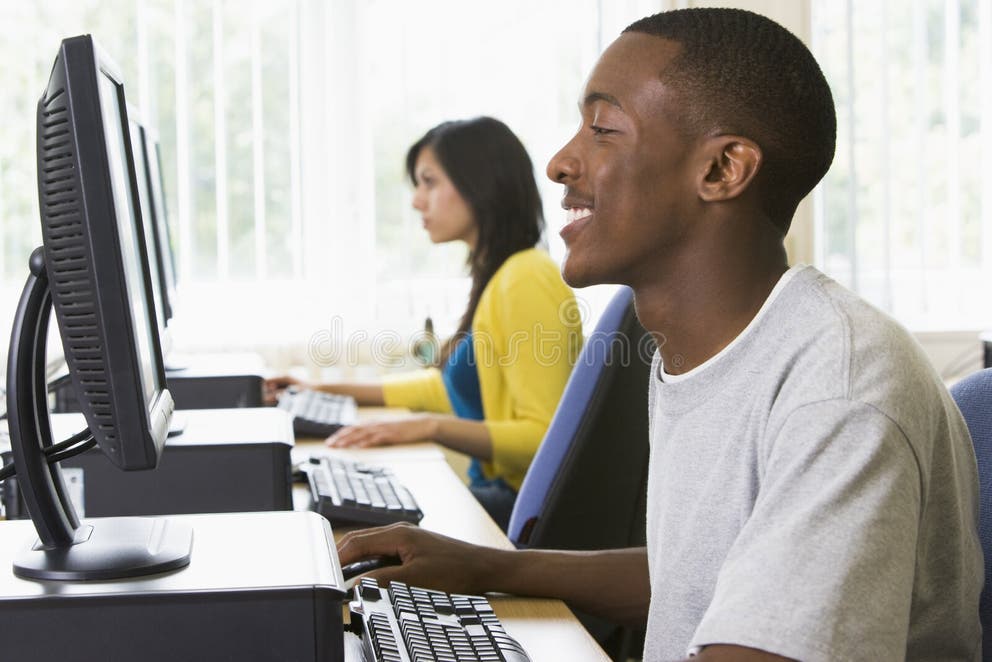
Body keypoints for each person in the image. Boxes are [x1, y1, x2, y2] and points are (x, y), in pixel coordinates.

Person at [334, 8, 983, 661]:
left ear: (723, 170)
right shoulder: (696, 353)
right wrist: (483, 569)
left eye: (604, 128)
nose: (560, 162)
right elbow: (697, 578)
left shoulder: (839, 386)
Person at [266, 117, 582, 530]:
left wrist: (425, 427)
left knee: (341, 524)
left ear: (480, 184)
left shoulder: (526, 278)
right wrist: (323, 389)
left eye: (429, 182)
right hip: (505, 499)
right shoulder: (503, 274)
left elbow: (543, 439)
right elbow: (448, 389)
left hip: (519, 513)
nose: (417, 201)